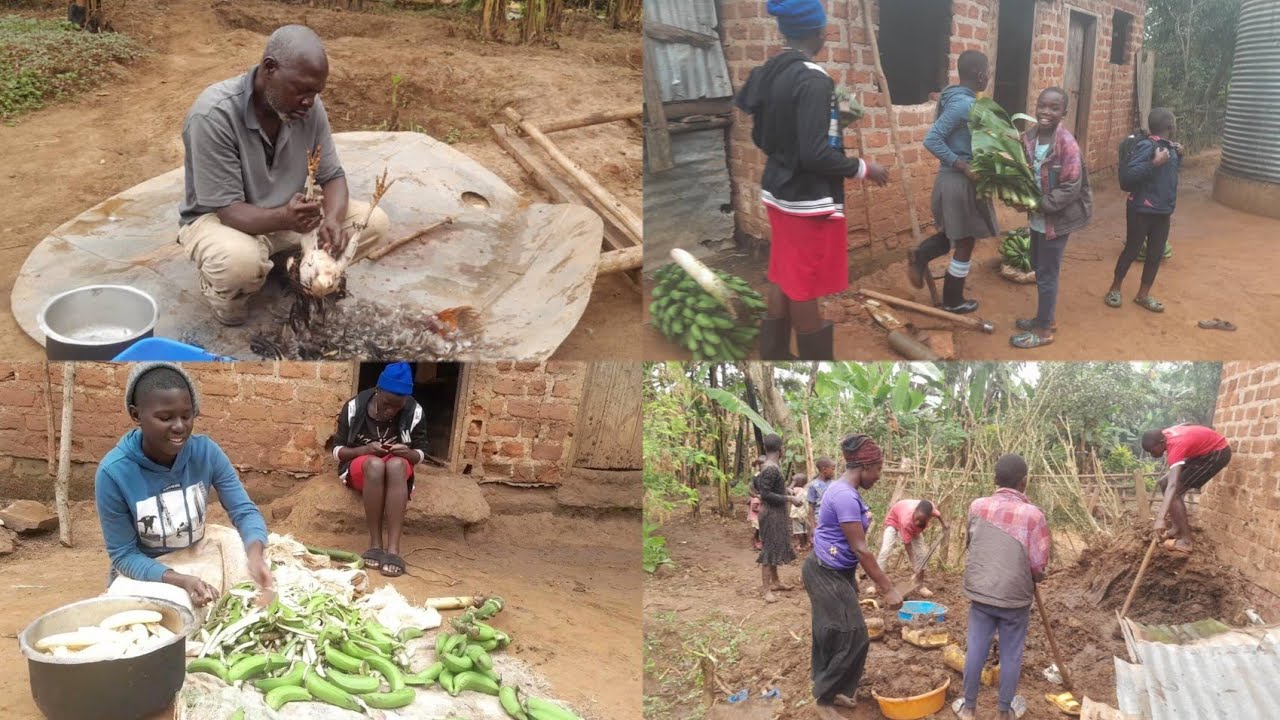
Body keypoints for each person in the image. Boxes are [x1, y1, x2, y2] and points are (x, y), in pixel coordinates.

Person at [178, 25, 390, 326]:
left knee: (374, 222)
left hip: (288, 216)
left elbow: (332, 176)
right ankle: (223, 288)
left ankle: (288, 265)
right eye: (301, 90)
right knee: (239, 264)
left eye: (315, 93)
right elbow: (228, 210)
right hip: (224, 221)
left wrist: (332, 220)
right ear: (269, 69)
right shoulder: (213, 115)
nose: (309, 101)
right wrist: (286, 219)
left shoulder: (308, 108)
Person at [735, 0, 890, 360]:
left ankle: (775, 352)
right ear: (819, 32)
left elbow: (762, 137)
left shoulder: (769, 71)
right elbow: (815, 155)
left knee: (783, 273)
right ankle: (813, 362)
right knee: (804, 285)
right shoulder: (814, 80)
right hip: (805, 200)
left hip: (777, 190)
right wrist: (864, 168)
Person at [95, 363, 273, 609]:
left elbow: (243, 510)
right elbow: (124, 555)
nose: (179, 426)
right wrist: (179, 580)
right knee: (170, 615)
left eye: (187, 416)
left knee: (250, 590)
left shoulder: (206, 453)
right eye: (165, 418)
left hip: (196, 554)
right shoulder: (114, 473)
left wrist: (255, 556)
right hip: (149, 570)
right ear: (136, 415)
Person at [805, 434, 904, 719]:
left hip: (836, 570)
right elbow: (861, 549)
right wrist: (888, 588)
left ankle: (833, 689)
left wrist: (853, 575)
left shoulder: (844, 490)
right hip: (825, 572)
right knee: (853, 635)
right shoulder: (845, 496)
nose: (879, 476)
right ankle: (823, 699)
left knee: (832, 632)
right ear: (865, 466)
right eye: (878, 470)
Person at [959, 454, 1051, 720]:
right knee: (1011, 653)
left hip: (981, 591)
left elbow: (971, 544)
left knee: (976, 647)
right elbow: (1038, 564)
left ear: (995, 479)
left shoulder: (977, 506)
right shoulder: (1034, 516)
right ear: (1024, 482)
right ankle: (1003, 712)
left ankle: (968, 708)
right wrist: (1037, 577)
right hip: (1014, 597)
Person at [909, 50, 1000, 314]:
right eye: (988, 73)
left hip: (952, 181)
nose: (989, 77)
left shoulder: (954, 97)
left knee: (955, 233)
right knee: (965, 241)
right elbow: (932, 139)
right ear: (980, 75)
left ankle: (921, 255)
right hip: (959, 181)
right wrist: (964, 166)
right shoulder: (963, 104)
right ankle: (952, 300)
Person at [326, 362, 430, 578]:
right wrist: (364, 450)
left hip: (396, 468)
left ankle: (393, 551)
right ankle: (375, 545)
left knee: (395, 465)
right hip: (362, 466)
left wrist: (408, 453)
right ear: (378, 390)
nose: (391, 410)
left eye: (398, 406)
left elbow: (421, 453)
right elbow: (336, 451)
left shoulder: (414, 411)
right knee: (375, 464)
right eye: (386, 404)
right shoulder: (355, 407)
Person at [1011, 87, 1093, 349]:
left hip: (1057, 219)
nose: (1046, 112)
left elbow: (1071, 187)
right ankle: (1045, 318)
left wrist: (1039, 203)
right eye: (1042, 106)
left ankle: (1044, 330)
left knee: (1047, 274)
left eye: (1054, 108)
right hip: (1038, 217)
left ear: (1064, 112)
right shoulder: (1029, 137)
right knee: (1038, 266)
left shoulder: (1067, 144)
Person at [1106, 108, 1182, 314]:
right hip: (1141, 210)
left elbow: (1169, 176)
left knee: (1155, 254)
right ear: (1171, 126)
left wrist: (1179, 156)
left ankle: (1143, 295)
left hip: (1163, 211)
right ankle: (1114, 289)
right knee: (1132, 250)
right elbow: (1129, 177)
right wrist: (1154, 163)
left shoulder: (1170, 148)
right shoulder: (1147, 146)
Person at [1142, 425, 1231, 554]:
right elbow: (1187, 424)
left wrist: (1160, 519)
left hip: (1217, 453)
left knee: (1175, 492)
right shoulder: (1165, 434)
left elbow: (1173, 485)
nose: (1152, 454)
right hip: (1202, 453)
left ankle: (1186, 542)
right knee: (1163, 482)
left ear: (1161, 443)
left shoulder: (1175, 445)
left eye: (1152, 451)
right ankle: (1176, 528)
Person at [753, 434, 805, 602]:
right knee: (769, 549)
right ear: (780, 449)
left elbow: (773, 488)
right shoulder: (770, 468)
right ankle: (766, 589)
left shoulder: (772, 466)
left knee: (775, 546)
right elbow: (765, 494)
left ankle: (775, 582)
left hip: (776, 513)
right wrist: (790, 498)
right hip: (770, 514)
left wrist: (786, 490)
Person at [872, 498, 948, 598]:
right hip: (893, 522)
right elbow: (907, 545)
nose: (917, 522)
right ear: (915, 511)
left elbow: (938, 515)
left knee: (922, 555)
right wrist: (915, 565)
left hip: (913, 529)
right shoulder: (906, 521)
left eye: (921, 520)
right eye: (917, 518)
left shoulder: (930, 509)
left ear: (929, 517)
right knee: (885, 551)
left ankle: (920, 586)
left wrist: (944, 524)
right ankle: (874, 584)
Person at [806, 457, 835, 542]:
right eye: (832, 469)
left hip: (833, 521)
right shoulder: (813, 485)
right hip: (819, 521)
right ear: (824, 469)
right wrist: (812, 527)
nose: (833, 472)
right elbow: (811, 507)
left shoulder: (834, 484)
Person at [790, 474, 810, 551]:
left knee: (799, 531)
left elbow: (788, 490)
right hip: (804, 513)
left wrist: (793, 482)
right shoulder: (805, 490)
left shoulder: (796, 489)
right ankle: (806, 543)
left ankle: (802, 545)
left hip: (797, 514)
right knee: (805, 530)